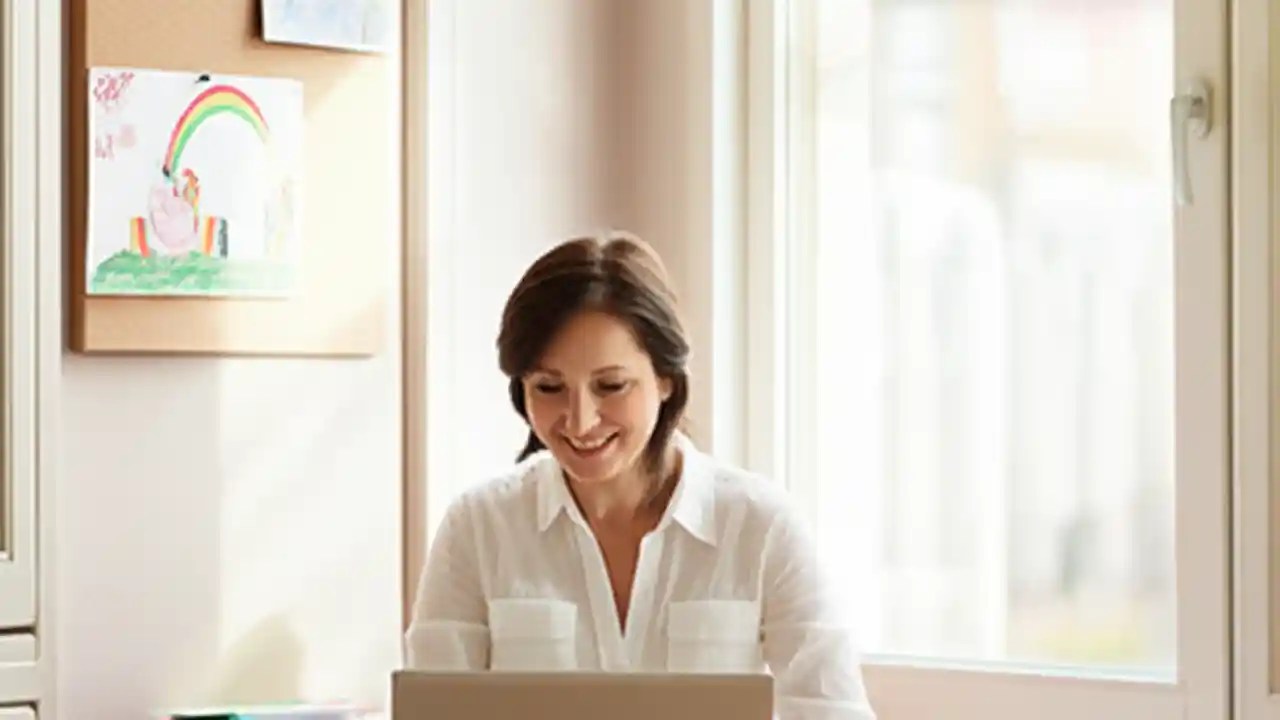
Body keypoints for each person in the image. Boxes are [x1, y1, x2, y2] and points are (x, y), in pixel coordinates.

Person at [405, 232, 876, 719]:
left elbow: (834, 710)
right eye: (549, 387)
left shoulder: (760, 525)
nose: (580, 420)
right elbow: (432, 713)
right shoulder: (478, 526)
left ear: (666, 379)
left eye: (611, 385)